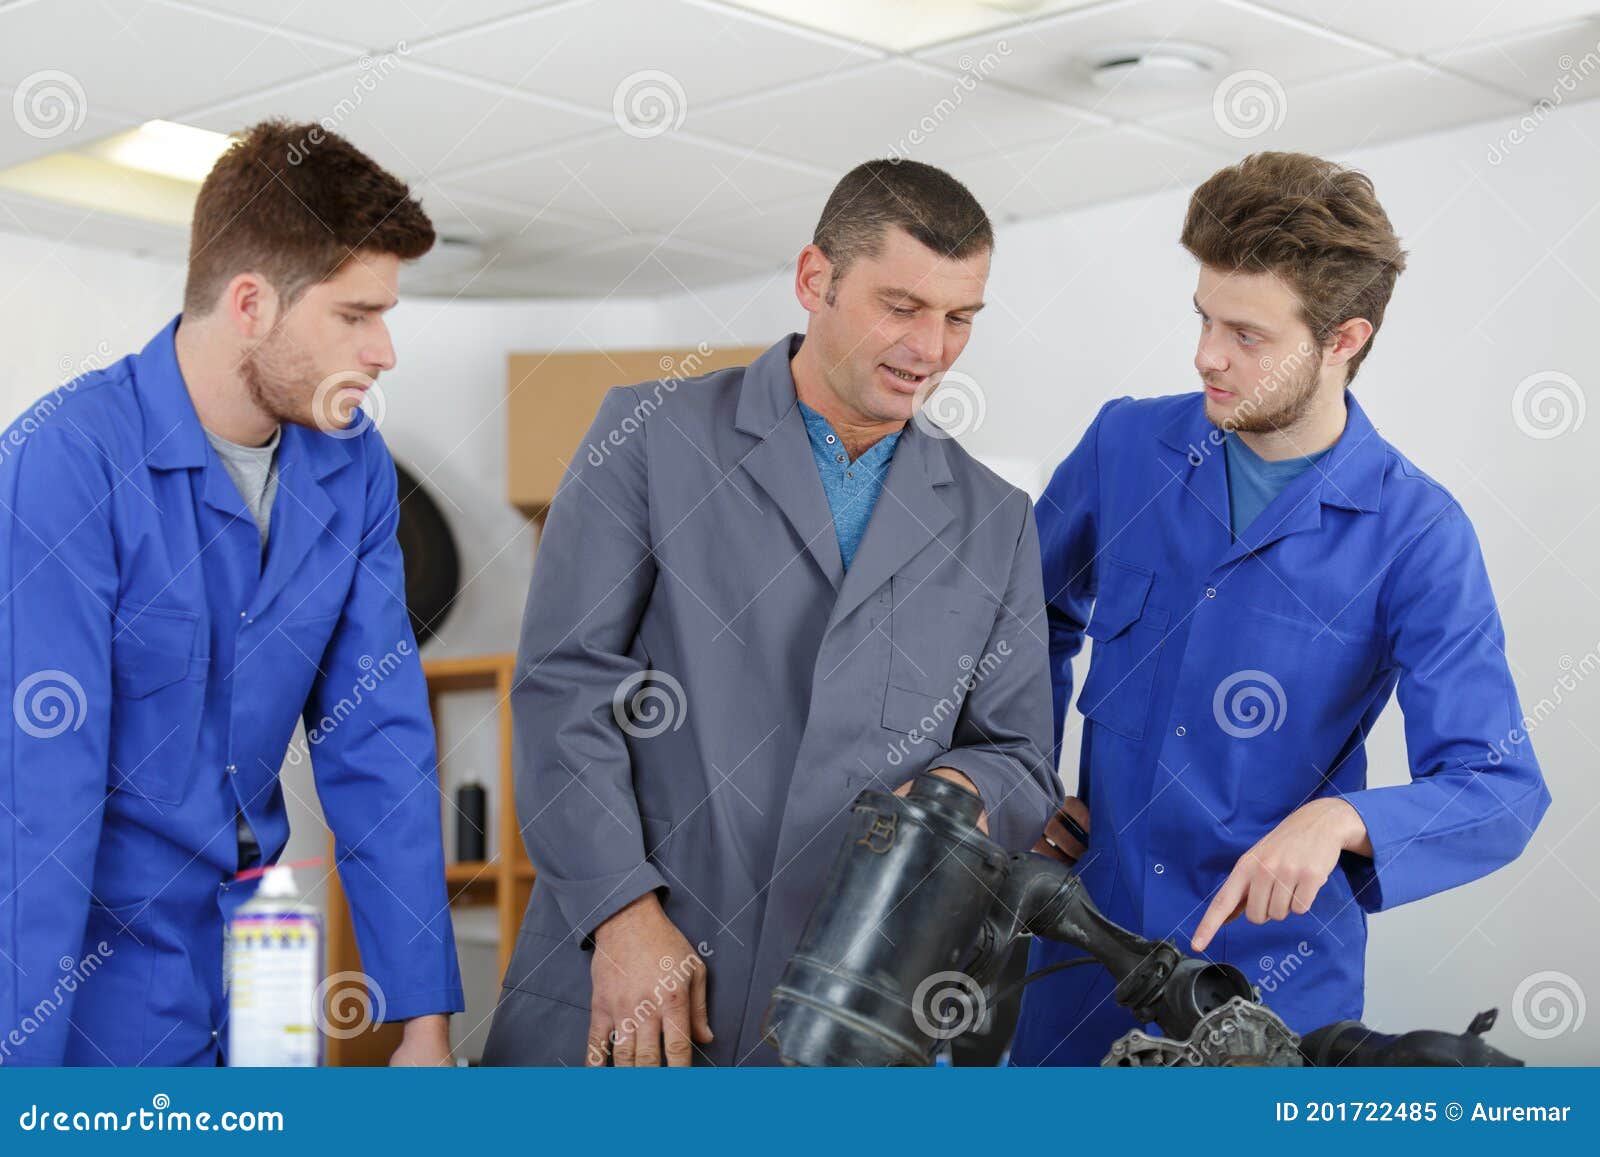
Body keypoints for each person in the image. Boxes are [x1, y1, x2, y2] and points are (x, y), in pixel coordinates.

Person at [481, 159, 1059, 1067]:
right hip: (631, 981)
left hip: (846, 1010)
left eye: (960, 318)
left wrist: (959, 789)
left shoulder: (995, 521)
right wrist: (620, 913)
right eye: (902, 306)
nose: (931, 348)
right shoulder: (653, 437)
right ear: (814, 279)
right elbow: (564, 691)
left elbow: (1020, 754)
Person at [1011, 151, 1551, 1066]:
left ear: (1343, 340)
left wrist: (1345, 822)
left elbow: (1501, 788)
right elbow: (1021, 619)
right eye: (1204, 317)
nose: (1206, 354)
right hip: (1080, 960)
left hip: (1266, 993)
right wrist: (1026, 780)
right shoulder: (1124, 445)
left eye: (1247, 335)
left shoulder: (1418, 533)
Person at [0, 120, 462, 1066]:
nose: (384, 350)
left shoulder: (352, 467)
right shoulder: (68, 459)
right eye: (355, 315)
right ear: (250, 302)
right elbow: (38, 791)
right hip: (99, 974)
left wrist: (423, 1021)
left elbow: (378, 739)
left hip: (261, 953)